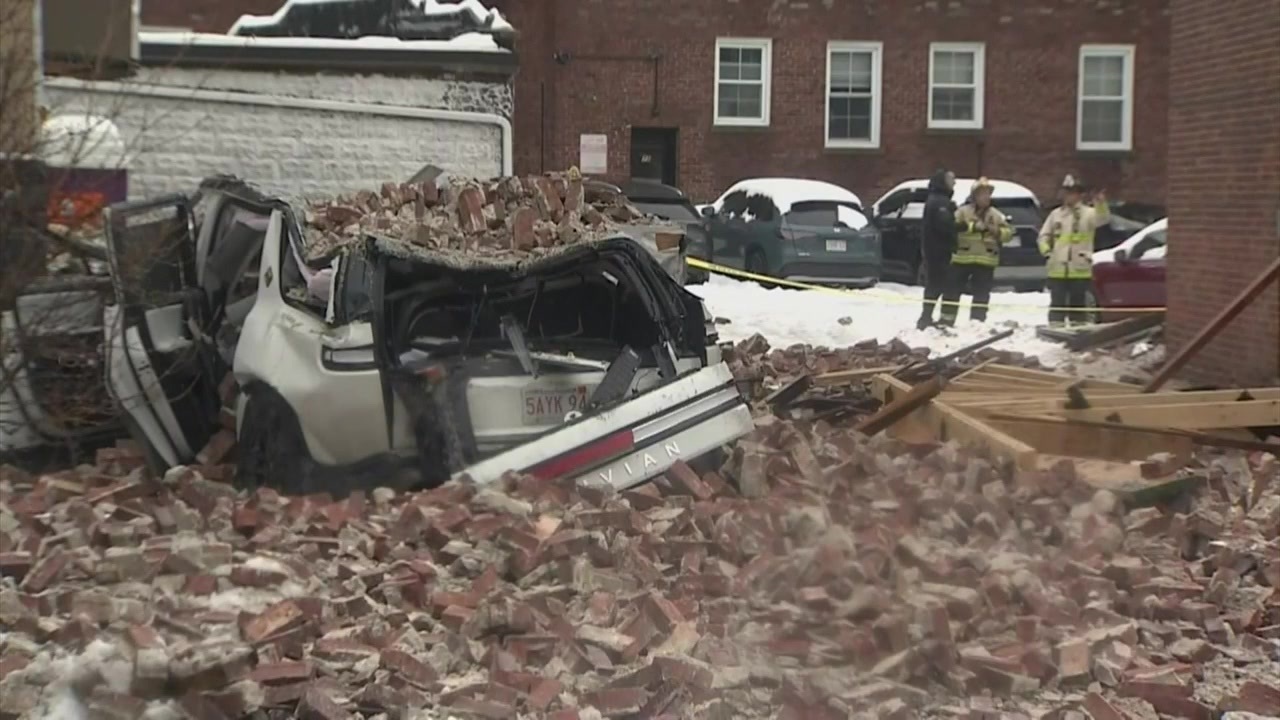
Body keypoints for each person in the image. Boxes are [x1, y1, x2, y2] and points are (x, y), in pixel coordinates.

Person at [1038, 173, 1109, 326]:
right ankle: (1056, 330)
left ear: (1079, 195)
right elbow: (1043, 236)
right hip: (1057, 268)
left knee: (1078, 303)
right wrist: (1047, 253)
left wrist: (1100, 204)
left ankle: (1077, 331)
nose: (1067, 196)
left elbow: (1103, 219)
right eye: (1066, 192)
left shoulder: (1089, 214)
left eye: (1071, 193)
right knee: (1057, 303)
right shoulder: (1056, 214)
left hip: (1079, 267)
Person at [939, 177, 1012, 325]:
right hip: (962, 259)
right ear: (974, 196)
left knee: (981, 294)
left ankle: (977, 322)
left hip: (986, 260)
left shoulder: (996, 215)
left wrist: (997, 231)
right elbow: (951, 228)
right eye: (982, 194)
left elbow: (1008, 234)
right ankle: (947, 320)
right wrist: (972, 227)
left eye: (988, 194)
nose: (986, 197)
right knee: (951, 291)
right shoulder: (962, 212)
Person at [917, 168, 958, 330]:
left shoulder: (937, 199)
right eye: (951, 179)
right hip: (938, 252)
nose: (954, 182)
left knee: (936, 285)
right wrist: (964, 226)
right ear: (943, 181)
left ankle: (927, 318)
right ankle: (928, 319)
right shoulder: (939, 202)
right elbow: (945, 226)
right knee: (938, 285)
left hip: (935, 250)